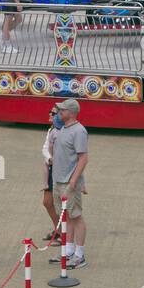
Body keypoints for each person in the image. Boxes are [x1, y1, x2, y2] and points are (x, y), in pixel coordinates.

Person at [50, 98, 88, 269]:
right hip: (58, 181)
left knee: (76, 216)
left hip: (68, 182)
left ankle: (80, 255)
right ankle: (69, 250)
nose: (59, 113)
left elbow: (83, 158)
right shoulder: (62, 129)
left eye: (62, 110)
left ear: (71, 113)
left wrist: (73, 182)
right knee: (67, 217)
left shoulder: (79, 131)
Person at [41, 113, 62, 244]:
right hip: (51, 168)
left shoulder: (64, 131)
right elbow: (45, 148)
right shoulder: (51, 129)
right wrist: (49, 158)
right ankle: (58, 230)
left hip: (62, 170)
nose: (49, 114)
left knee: (61, 204)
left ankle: (65, 236)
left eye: (53, 113)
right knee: (47, 202)